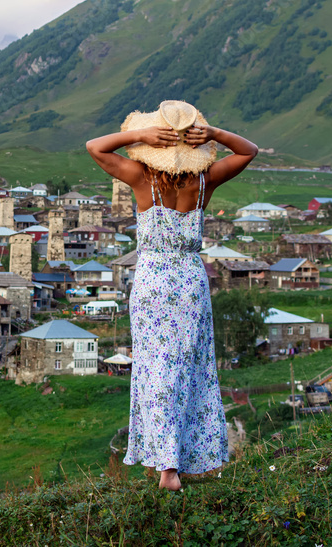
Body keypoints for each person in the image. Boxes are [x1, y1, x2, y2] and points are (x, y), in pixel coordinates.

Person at [86, 100, 257, 491]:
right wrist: (214, 134)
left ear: (155, 141)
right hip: (190, 280)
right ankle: (188, 460)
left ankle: (166, 468)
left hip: (153, 282)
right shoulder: (204, 181)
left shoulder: (141, 179)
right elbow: (249, 150)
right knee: (190, 369)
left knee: (156, 368)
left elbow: (94, 147)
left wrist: (137, 135)